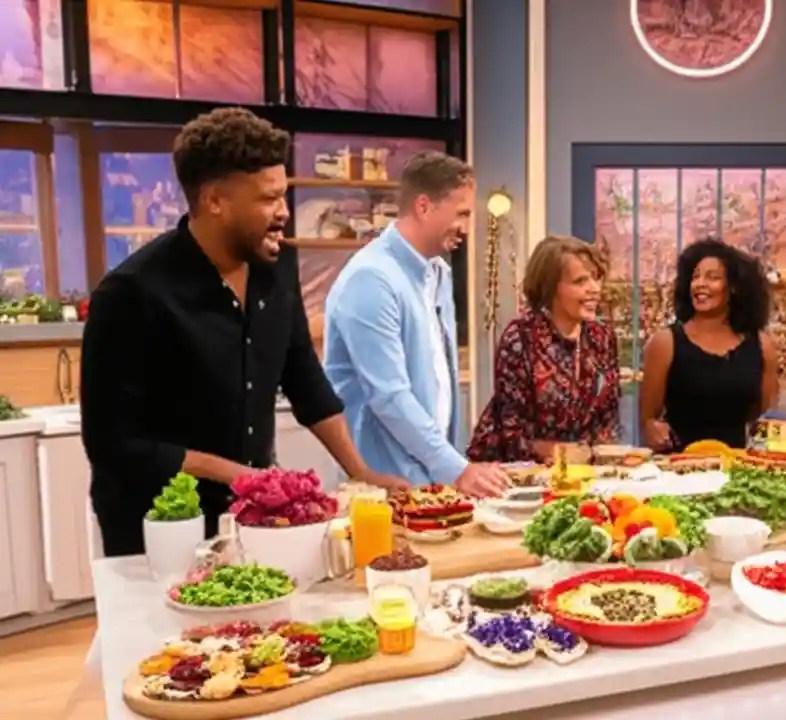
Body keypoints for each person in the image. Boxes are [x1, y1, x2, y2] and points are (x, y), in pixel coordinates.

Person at [80, 108, 404, 557]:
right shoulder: (131, 294)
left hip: (253, 517)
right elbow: (112, 444)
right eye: (268, 199)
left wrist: (360, 471)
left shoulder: (276, 269)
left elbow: (304, 379)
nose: (284, 213)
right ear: (215, 200)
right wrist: (239, 474)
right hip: (156, 526)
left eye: (284, 196)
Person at [324, 151, 508, 498]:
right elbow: (388, 396)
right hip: (383, 486)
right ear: (423, 207)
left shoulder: (437, 272)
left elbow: (438, 380)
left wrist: (452, 465)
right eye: (462, 214)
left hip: (432, 480)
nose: (467, 229)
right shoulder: (371, 278)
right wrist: (457, 469)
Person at [468, 236, 621, 462]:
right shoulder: (520, 337)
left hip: (582, 470)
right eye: (580, 282)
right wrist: (556, 452)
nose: (594, 289)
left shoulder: (602, 336)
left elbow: (608, 418)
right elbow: (511, 432)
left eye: (596, 278)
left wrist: (599, 455)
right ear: (550, 288)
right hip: (511, 471)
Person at [641, 238, 778, 451]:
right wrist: (653, 430)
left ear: (733, 287)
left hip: (737, 469)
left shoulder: (762, 346)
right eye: (695, 277)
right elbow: (648, 420)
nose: (700, 284)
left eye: (712, 277)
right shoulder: (665, 343)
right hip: (678, 469)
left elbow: (766, 418)